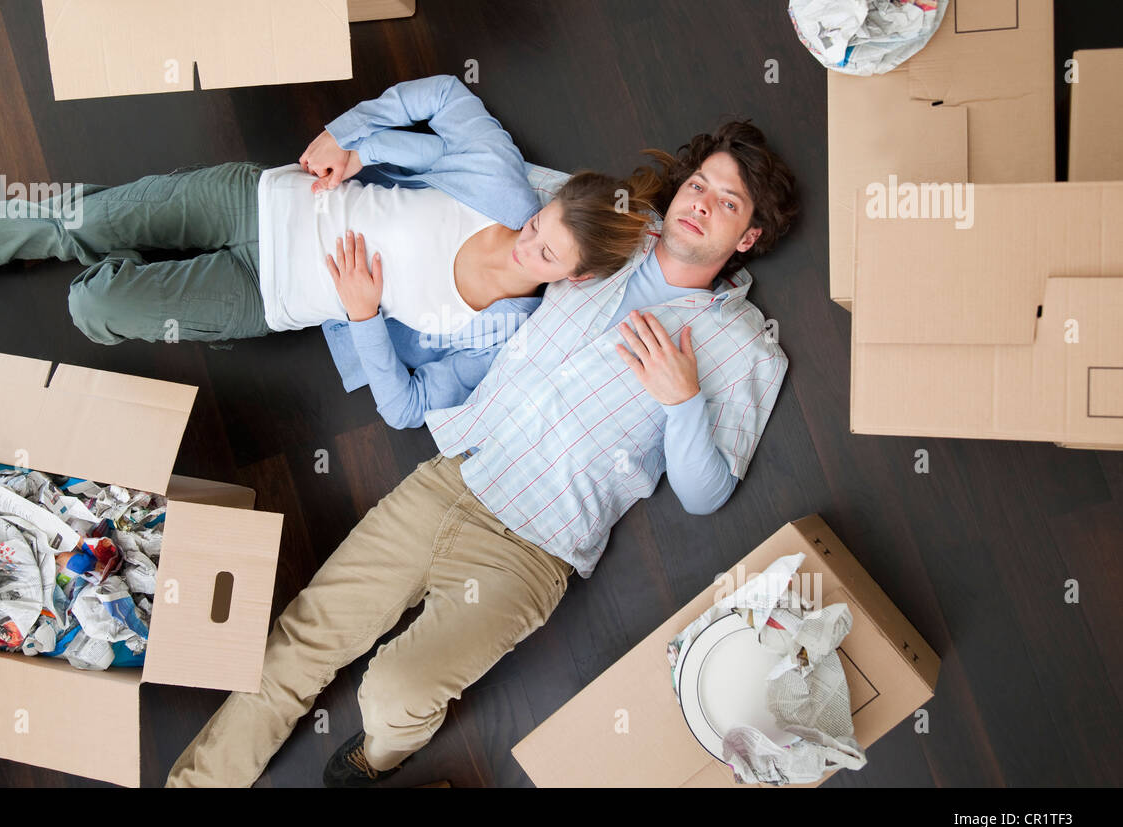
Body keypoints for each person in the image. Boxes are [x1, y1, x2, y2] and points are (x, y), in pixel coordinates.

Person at [165, 118, 800, 787]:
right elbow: (489, 168)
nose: (701, 202)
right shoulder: (616, 226)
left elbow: (707, 494)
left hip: (531, 549)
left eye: (727, 202)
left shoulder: (745, 345)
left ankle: (374, 760)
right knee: (299, 643)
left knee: (393, 692)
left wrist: (682, 401)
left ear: (748, 238)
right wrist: (360, 144)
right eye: (699, 184)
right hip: (449, 480)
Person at [0, 75, 654, 429]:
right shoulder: (501, 184)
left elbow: (406, 408)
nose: (528, 243)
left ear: (573, 277)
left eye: (547, 256)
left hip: (264, 296)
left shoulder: (500, 335)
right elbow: (444, 95)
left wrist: (366, 315)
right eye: (539, 224)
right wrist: (349, 132)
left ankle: (114, 267)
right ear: (545, 201)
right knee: (77, 221)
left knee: (90, 302)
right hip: (256, 197)